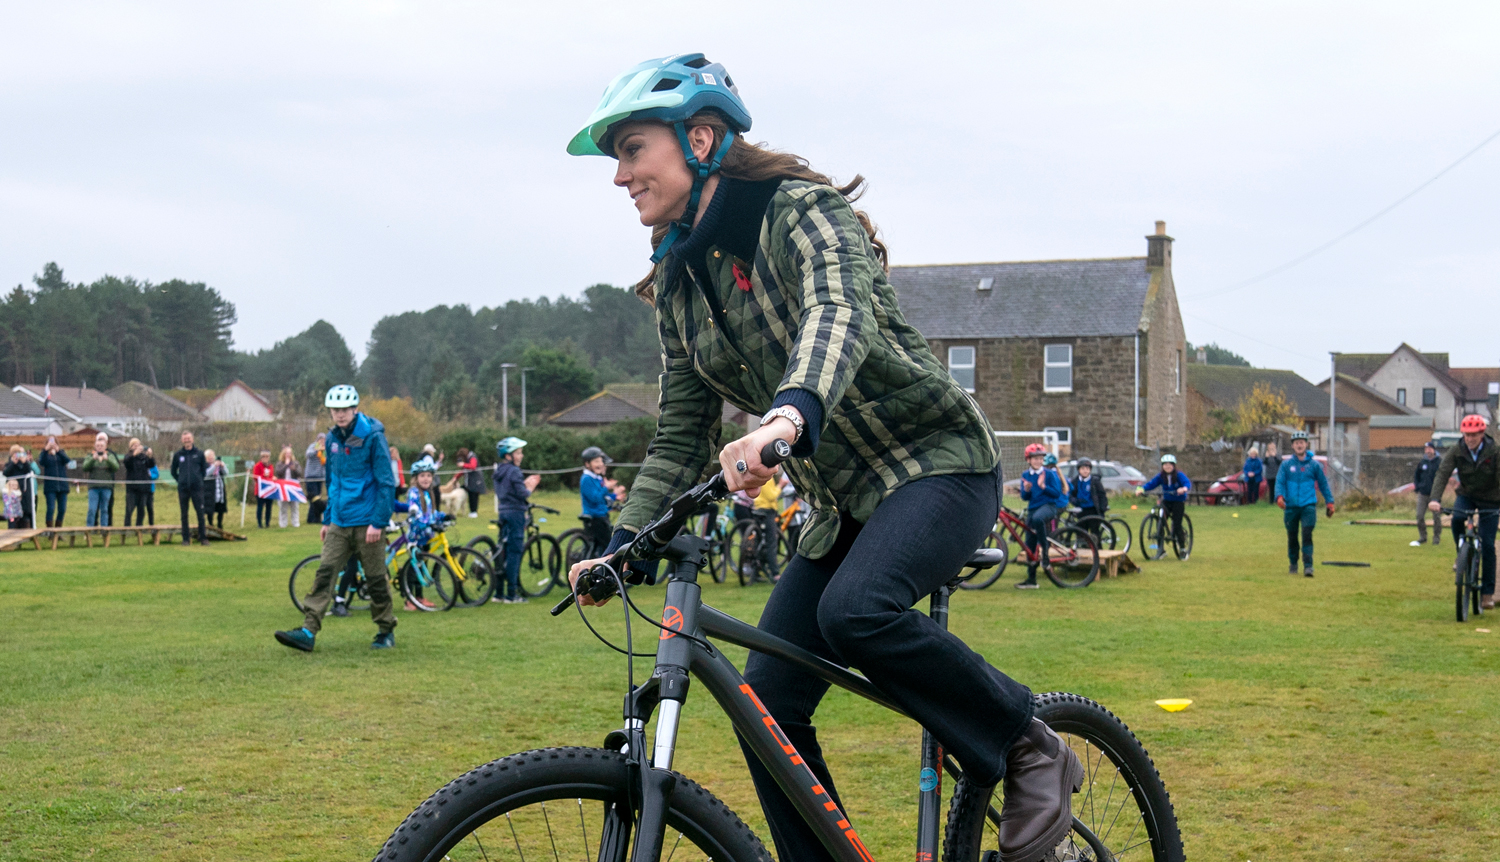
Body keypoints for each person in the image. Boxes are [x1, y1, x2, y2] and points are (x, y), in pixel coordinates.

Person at [565, 54, 1078, 862]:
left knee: (855, 612)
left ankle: (1027, 743)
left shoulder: (800, 212)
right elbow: (681, 429)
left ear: (700, 138)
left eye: (632, 149)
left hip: (935, 464)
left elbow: (836, 315)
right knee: (767, 701)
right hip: (841, 505)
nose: (620, 174)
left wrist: (786, 418)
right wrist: (622, 545)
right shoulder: (677, 277)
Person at [275, 384, 398, 651]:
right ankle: (308, 631)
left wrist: (378, 522)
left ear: (354, 409)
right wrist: (328, 518)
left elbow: (387, 483)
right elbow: (333, 481)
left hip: (368, 522)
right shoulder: (331, 440)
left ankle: (386, 629)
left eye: (344, 409)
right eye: (335, 410)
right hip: (340, 521)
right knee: (326, 571)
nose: (340, 415)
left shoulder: (374, 437)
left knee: (376, 578)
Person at [1429, 415, 1500, 608]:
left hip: (1491, 498)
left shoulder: (1494, 451)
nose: (1470, 439)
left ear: (1482, 433)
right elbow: (1443, 472)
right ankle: (1461, 553)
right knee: (1456, 518)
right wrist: (1435, 499)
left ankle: (1487, 594)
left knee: (1487, 545)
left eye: (1474, 435)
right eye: (1467, 435)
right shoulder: (1457, 450)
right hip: (1467, 494)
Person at [1275, 431, 1334, 577]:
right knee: (1292, 536)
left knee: (1307, 535)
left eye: (1302, 442)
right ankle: (1293, 564)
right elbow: (1280, 482)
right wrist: (1279, 497)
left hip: (1308, 505)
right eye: (1296, 443)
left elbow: (1323, 484)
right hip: (1291, 507)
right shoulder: (1286, 465)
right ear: (1293, 446)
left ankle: (1308, 566)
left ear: (1306, 444)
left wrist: (1330, 502)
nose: (1299, 445)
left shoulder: (1314, 465)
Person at [492, 436, 541, 603]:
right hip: (515, 514)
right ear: (508, 455)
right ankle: (511, 594)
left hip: (503, 511)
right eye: (518, 453)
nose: (521, 456)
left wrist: (523, 484)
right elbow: (522, 493)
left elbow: (510, 488)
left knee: (502, 551)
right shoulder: (514, 471)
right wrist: (530, 487)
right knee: (514, 552)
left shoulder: (500, 470)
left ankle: (498, 593)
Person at [1018, 443, 1065, 588]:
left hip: (1049, 507)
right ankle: (1031, 580)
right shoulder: (1026, 475)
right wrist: (1026, 490)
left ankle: (1045, 554)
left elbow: (1057, 493)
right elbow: (1025, 497)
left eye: (1040, 458)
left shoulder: (1049, 474)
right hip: (1033, 509)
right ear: (1028, 460)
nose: (1038, 461)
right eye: (1035, 458)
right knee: (1029, 544)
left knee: (1038, 519)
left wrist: (1044, 486)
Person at [402, 456, 445, 611]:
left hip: (426, 536)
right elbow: (416, 516)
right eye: (422, 476)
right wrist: (425, 525)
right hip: (416, 535)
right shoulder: (414, 493)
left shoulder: (428, 493)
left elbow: (431, 514)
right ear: (416, 478)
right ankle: (409, 599)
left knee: (422, 565)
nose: (426, 479)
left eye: (428, 476)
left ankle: (419, 597)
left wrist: (443, 516)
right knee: (414, 568)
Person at [1137, 454, 1192, 557]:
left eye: (1170, 464)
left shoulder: (1179, 475)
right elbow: (1151, 484)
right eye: (1165, 464)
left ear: (1174, 465)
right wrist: (1142, 489)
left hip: (1178, 501)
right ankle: (1161, 549)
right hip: (1167, 500)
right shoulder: (1161, 476)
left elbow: (1187, 483)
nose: (1167, 466)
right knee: (1160, 523)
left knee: (1177, 525)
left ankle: (1183, 549)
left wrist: (1183, 489)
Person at [579, 446, 621, 558]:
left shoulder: (596, 478)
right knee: (610, 546)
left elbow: (603, 498)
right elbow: (595, 498)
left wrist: (615, 495)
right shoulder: (586, 479)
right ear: (588, 464)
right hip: (595, 517)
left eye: (601, 461)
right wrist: (606, 487)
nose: (601, 464)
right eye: (596, 461)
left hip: (601, 515)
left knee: (603, 546)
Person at [171, 430, 209, 547]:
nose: (187, 441)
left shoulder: (199, 453)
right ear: (182, 441)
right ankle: (185, 539)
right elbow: (173, 471)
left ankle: (203, 538)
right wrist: (180, 480)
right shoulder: (178, 455)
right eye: (185, 439)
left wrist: (198, 480)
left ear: (192, 439)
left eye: (188, 438)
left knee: (200, 513)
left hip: (197, 488)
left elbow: (204, 470)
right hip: (183, 489)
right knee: (184, 514)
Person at [79, 434, 119, 528]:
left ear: (105, 447)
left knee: (104, 509)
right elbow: (84, 467)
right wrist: (93, 459)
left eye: (101, 446)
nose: (99, 447)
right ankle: (89, 529)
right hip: (93, 488)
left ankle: (104, 529)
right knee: (92, 509)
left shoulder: (110, 456)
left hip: (106, 487)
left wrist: (108, 460)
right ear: (95, 446)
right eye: (98, 446)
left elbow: (116, 467)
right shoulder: (90, 456)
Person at [1068, 458, 1109, 542]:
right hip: (1081, 510)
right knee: (1081, 532)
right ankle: (1083, 548)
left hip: (1093, 510)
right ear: (1079, 470)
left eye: (1087, 469)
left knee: (1094, 532)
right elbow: (1070, 494)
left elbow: (1102, 495)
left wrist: (1102, 509)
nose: (1085, 471)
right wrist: (1075, 501)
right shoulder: (1075, 481)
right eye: (1083, 469)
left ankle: (1097, 549)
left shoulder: (1095, 481)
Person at [1412, 441, 1442, 546]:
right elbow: (1417, 475)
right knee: (1419, 516)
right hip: (1423, 493)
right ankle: (1423, 537)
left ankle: (1436, 538)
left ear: (1433, 450)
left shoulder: (1439, 462)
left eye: (1429, 448)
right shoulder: (1422, 462)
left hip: (1435, 495)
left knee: (1436, 517)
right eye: (1426, 449)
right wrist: (1418, 486)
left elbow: (1442, 477)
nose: (1427, 451)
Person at [122, 438, 156, 526]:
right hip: (132, 489)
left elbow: (151, 465)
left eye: (138, 445)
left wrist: (150, 456)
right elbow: (126, 463)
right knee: (129, 509)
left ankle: (139, 528)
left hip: (144, 488)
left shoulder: (144, 456)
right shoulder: (128, 456)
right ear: (130, 447)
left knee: (141, 510)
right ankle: (127, 528)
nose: (137, 447)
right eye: (134, 445)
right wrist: (134, 455)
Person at [37, 437, 70, 527]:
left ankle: (58, 529)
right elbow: (41, 462)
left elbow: (67, 460)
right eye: (50, 442)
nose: (52, 444)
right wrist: (45, 450)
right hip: (50, 487)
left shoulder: (61, 453)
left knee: (62, 509)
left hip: (62, 486)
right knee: (51, 508)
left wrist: (58, 451)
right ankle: (50, 530)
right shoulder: (45, 455)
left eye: (54, 442)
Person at [3, 445, 38, 529]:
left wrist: (25, 462)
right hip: (12, 492)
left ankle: (25, 529)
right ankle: (11, 530)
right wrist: (13, 463)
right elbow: (6, 473)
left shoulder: (23, 464)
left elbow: (30, 471)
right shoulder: (9, 464)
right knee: (12, 513)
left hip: (24, 491)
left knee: (25, 511)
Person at [274, 445, 303, 528]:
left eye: (290, 453)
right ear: (283, 454)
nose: (288, 455)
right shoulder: (280, 463)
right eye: (286, 453)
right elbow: (278, 473)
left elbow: (299, 473)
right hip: (283, 487)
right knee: (283, 507)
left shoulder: (296, 463)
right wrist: (286, 465)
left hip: (293, 487)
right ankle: (283, 524)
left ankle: (296, 523)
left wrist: (294, 469)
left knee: (294, 506)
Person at [454, 447, 482, 518]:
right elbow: (464, 470)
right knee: (470, 494)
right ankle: (471, 511)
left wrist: (463, 464)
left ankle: (474, 512)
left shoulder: (472, 457)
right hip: (469, 481)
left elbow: (473, 466)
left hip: (475, 480)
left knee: (474, 495)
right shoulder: (468, 459)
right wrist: (456, 477)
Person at [204, 449, 229, 530]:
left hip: (220, 491)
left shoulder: (219, 466)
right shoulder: (204, 465)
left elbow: (226, 473)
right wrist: (214, 466)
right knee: (210, 509)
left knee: (220, 509)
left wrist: (223, 466)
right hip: (209, 491)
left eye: (213, 456)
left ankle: (219, 525)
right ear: (206, 457)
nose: (212, 458)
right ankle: (210, 524)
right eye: (210, 456)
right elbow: (206, 473)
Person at [304, 433, 326, 516]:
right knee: (313, 498)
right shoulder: (313, 446)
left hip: (320, 476)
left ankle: (316, 517)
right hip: (311, 476)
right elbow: (308, 454)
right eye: (321, 439)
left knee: (318, 498)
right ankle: (311, 517)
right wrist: (317, 449)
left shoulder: (325, 449)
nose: (322, 441)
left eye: (324, 440)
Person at [251, 451, 274, 528]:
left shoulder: (270, 466)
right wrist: (263, 476)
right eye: (264, 457)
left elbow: (271, 476)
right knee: (260, 506)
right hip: (260, 490)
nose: (265, 458)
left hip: (269, 490)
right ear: (261, 458)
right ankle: (259, 523)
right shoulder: (257, 466)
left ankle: (267, 523)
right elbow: (255, 477)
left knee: (269, 507)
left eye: (267, 457)